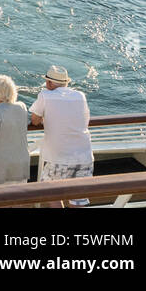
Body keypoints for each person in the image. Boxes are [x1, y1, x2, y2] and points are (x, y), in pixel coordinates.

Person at [30, 65, 93, 207]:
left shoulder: (45, 95)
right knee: (78, 200)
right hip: (84, 156)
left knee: (51, 192)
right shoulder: (80, 96)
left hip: (59, 156)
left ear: (50, 83)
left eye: (47, 81)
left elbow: (34, 120)